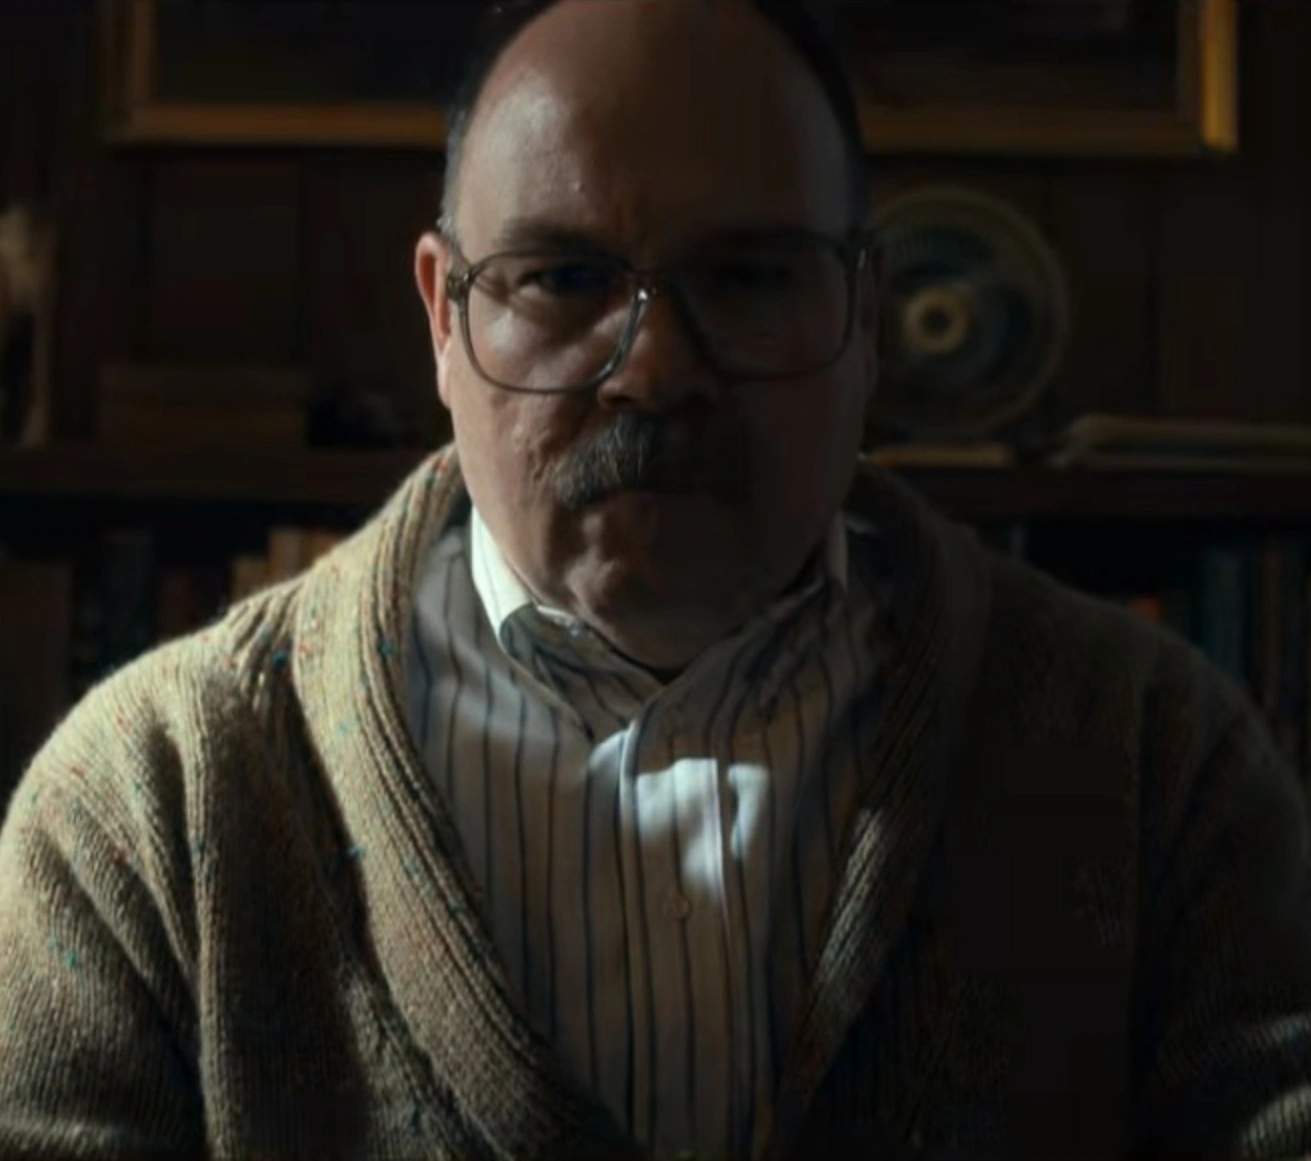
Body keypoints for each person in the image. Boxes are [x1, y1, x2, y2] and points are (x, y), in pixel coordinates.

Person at [3, 1, 1311, 1157]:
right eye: (563, 278)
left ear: (865, 317)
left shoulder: (1154, 761)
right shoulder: (150, 799)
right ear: (444, 317)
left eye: (748, 277)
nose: (652, 370)